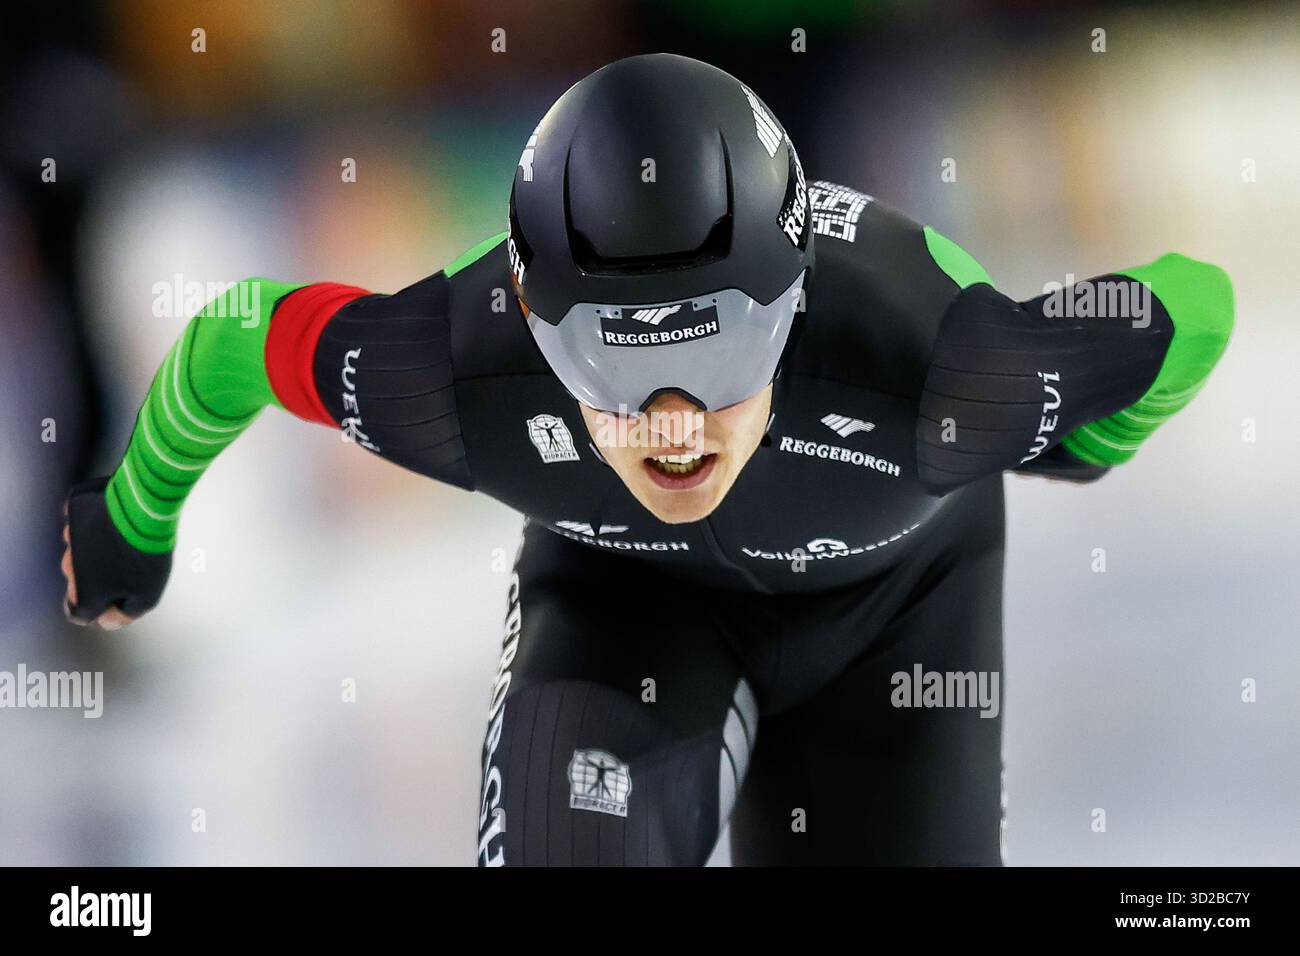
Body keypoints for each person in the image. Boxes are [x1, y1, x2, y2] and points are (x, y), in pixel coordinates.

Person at [60, 53, 1234, 866]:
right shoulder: (465, 366)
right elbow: (237, 343)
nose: (672, 422)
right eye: (607, 361)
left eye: (723, 346)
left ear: (794, 301)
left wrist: (1082, 439)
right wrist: (130, 514)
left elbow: (1200, 302)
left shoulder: (941, 375)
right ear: (529, 315)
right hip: (630, 600)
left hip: (898, 615)